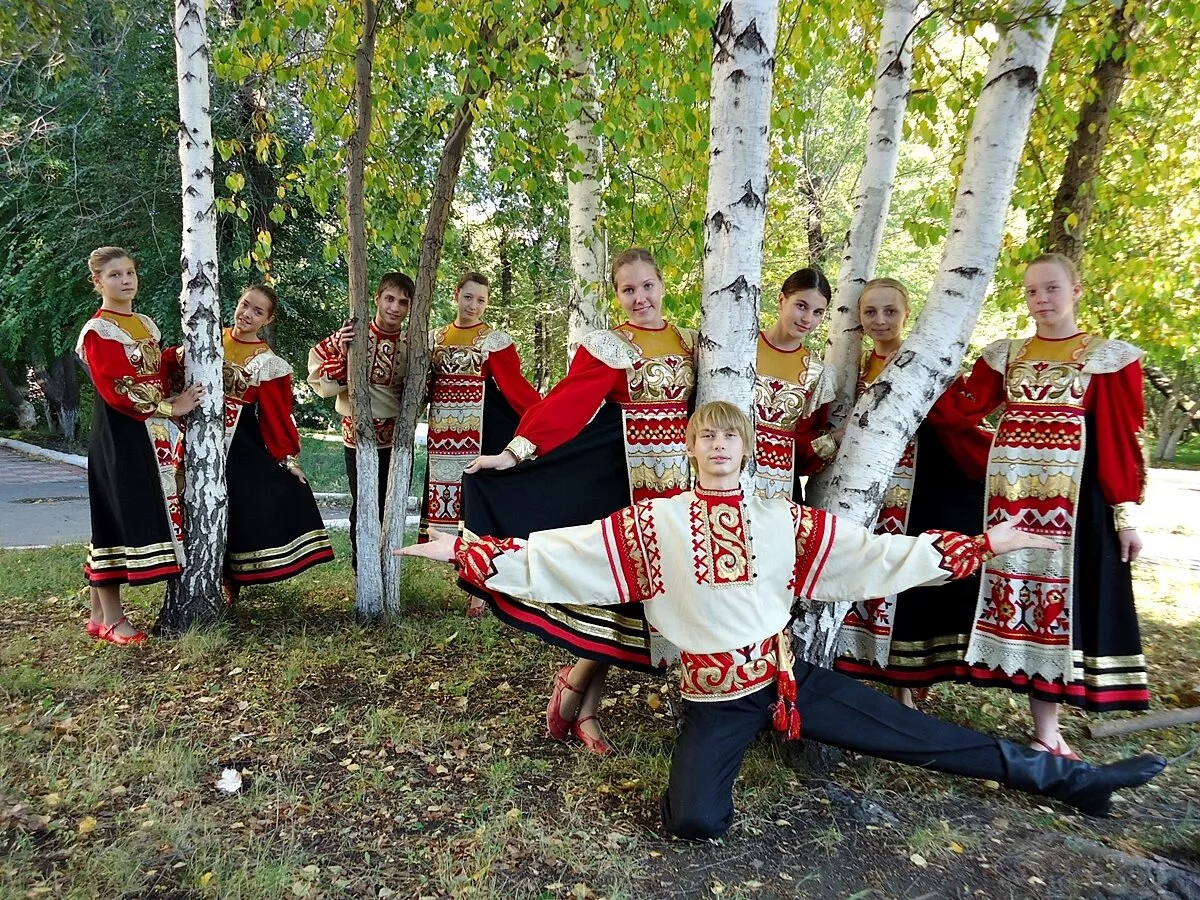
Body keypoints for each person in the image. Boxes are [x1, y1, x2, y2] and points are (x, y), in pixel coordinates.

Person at [400, 401, 1166, 839]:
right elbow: (566, 557)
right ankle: (699, 783)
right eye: (707, 435)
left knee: (932, 742)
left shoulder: (781, 520)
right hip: (715, 700)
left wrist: (985, 543)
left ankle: (1073, 781)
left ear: (748, 448)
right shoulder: (655, 521)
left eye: (731, 435)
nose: (719, 445)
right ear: (692, 447)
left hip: (786, 679)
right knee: (695, 825)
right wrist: (471, 549)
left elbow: (878, 556)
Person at [462, 248, 695, 753]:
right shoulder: (611, 347)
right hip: (620, 483)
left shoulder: (694, 343)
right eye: (628, 289)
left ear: (662, 284)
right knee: (612, 596)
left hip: (681, 491)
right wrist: (514, 453)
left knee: (650, 600)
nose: (639, 298)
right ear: (617, 295)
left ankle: (574, 686)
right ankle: (583, 709)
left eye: (647, 286)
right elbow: (569, 404)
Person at [935, 253, 1150, 758]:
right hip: (1007, 503)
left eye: (1051, 289)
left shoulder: (1107, 358)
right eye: (1032, 291)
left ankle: (1047, 730)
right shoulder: (1004, 356)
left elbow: (1121, 440)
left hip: (1072, 507)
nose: (1040, 301)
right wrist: (906, 367)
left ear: (1076, 290)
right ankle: (1044, 727)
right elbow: (961, 410)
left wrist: (1126, 514)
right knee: (1020, 598)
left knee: (1060, 607)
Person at [834, 278, 993, 708]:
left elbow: (955, 419)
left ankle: (905, 683)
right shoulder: (856, 369)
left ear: (907, 314)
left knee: (910, 573)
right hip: (867, 490)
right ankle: (858, 666)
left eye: (890, 311)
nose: (880, 320)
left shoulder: (926, 364)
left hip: (920, 487)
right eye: (871, 312)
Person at [75, 246, 205, 645]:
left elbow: (150, 368)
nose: (126, 280)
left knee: (124, 512)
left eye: (130, 272)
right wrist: (172, 405)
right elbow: (118, 389)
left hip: (150, 435)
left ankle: (99, 616)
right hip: (120, 435)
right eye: (115, 275)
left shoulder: (144, 324)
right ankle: (113, 618)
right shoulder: (98, 331)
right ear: (98, 282)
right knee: (114, 518)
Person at [173, 285, 334, 596]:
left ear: (267, 320)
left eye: (257, 311)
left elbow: (277, 415)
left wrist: (287, 459)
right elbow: (170, 370)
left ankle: (230, 582)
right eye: (245, 305)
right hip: (193, 439)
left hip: (238, 443)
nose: (247, 314)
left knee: (235, 508)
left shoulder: (269, 362)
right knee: (188, 503)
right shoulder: (206, 337)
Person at [422, 272, 541, 615]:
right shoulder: (434, 338)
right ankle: (464, 571)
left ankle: (479, 587)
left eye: (481, 300)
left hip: (482, 430)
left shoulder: (494, 340)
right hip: (441, 433)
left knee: (476, 506)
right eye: (468, 297)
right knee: (451, 507)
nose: (473, 305)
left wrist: (542, 420)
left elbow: (515, 387)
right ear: (456, 294)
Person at [307, 273, 411, 568]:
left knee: (390, 504)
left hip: (396, 437)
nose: (395, 307)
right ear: (377, 299)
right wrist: (344, 354)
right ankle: (362, 568)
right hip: (358, 434)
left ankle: (389, 566)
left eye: (403, 302)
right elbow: (319, 373)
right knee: (365, 503)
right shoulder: (353, 334)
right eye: (389, 299)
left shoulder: (411, 341)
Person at [753, 267, 837, 501]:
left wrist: (835, 439)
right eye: (801, 306)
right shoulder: (743, 348)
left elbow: (804, 444)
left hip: (782, 493)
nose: (808, 319)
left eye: (818, 312)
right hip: (724, 479)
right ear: (782, 300)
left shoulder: (816, 373)